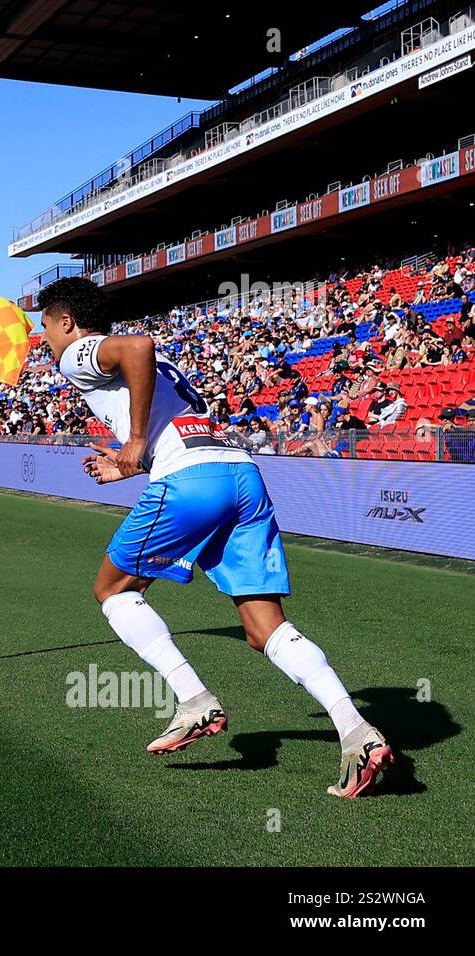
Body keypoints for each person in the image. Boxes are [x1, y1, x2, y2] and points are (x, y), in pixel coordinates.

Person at [36, 277, 391, 798]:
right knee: (263, 627)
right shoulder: (157, 371)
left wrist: (134, 442)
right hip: (239, 473)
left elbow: (137, 346)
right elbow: (176, 427)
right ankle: (357, 732)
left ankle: (193, 698)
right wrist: (129, 463)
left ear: (66, 321)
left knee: (113, 590)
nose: (44, 339)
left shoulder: (79, 352)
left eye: (45, 326)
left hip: (191, 481)